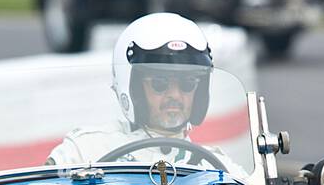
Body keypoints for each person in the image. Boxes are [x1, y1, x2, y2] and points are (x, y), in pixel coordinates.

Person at [47, 12, 242, 175]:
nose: (175, 94)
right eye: (160, 83)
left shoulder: (217, 167)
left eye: (187, 83)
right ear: (134, 88)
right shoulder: (85, 150)